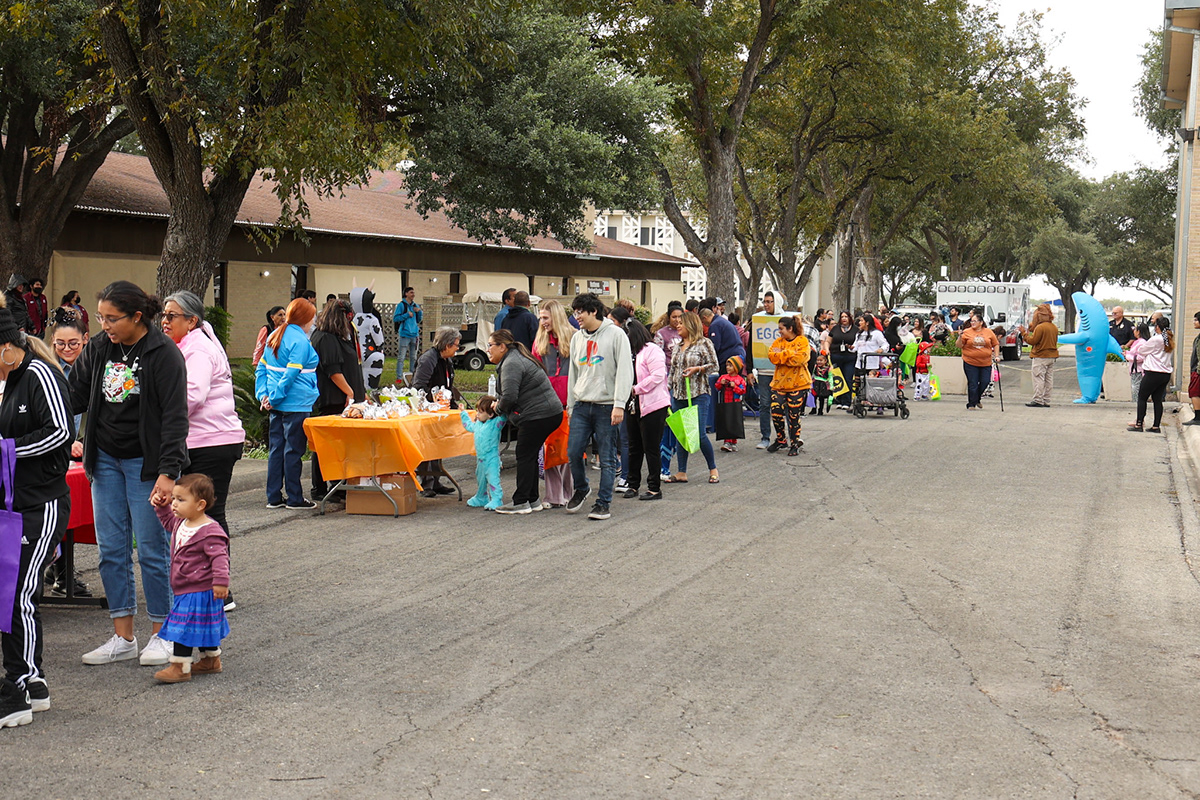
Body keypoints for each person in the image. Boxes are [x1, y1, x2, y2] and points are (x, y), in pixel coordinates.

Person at [71, 280, 188, 668]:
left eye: (112, 318)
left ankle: (163, 633)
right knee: (111, 549)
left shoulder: (164, 353)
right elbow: (72, 393)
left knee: (152, 549)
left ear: (137, 317)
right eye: (100, 317)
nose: (104, 325)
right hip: (104, 458)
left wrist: (168, 472)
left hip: (146, 464)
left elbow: (175, 418)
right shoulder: (100, 348)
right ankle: (123, 636)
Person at [0, 298, 73, 728]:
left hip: (41, 503)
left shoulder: (40, 374)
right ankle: (32, 683)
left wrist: (7, 451)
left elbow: (61, 431)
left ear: (5, 346)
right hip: (12, 505)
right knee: (8, 594)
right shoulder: (8, 379)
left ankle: (21, 687)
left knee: (19, 596)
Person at [162, 290, 245, 611]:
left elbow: (191, 396)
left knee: (207, 515)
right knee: (202, 514)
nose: (165, 321)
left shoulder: (198, 348)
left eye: (172, 316)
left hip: (212, 442)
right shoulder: (190, 343)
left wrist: (157, 415)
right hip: (204, 440)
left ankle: (218, 593)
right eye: (164, 315)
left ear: (192, 320)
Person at [151, 474, 230, 683]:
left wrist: (221, 582)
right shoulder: (182, 523)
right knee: (203, 624)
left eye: (181, 500)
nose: (174, 504)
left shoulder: (210, 531)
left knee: (182, 627)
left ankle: (180, 666)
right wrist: (161, 507)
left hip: (199, 589)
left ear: (200, 504)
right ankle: (210, 660)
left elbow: (220, 558)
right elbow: (168, 521)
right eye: (174, 499)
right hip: (185, 587)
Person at [566, 293, 634, 520]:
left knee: (606, 457)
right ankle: (582, 488)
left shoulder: (616, 335)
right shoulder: (577, 338)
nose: (577, 317)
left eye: (580, 312)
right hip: (581, 404)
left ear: (593, 311)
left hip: (607, 406)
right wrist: (571, 405)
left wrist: (619, 404)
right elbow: (573, 373)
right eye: (575, 313)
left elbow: (625, 370)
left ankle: (603, 503)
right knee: (573, 452)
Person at [489, 329, 563, 514]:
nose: (487, 349)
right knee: (529, 455)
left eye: (490, 345)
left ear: (502, 346)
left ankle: (521, 501)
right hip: (548, 413)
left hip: (539, 415)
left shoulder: (512, 363)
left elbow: (509, 397)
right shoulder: (515, 358)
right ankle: (533, 500)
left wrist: (497, 409)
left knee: (524, 455)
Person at [254, 297, 319, 510]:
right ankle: (294, 497)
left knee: (276, 449)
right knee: (293, 451)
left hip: (277, 405)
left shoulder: (275, 335)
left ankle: (273, 496)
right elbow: (290, 375)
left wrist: (264, 396)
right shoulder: (300, 341)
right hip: (297, 403)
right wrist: (274, 397)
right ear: (306, 319)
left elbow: (261, 368)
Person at [43, 313, 90, 597]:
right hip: (55, 449)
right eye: (60, 343)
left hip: (79, 448)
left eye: (73, 343)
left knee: (70, 511)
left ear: (85, 339)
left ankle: (58, 569)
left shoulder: (90, 365)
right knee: (57, 510)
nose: (67, 349)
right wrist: (66, 442)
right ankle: (59, 571)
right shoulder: (46, 370)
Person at [309, 299, 365, 503]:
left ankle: (338, 484)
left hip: (346, 398)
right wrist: (350, 393)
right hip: (334, 399)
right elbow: (333, 371)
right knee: (326, 446)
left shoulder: (337, 337)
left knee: (340, 446)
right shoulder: (325, 338)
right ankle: (322, 487)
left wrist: (361, 393)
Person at [665, 311, 719, 484]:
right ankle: (682, 472)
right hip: (678, 394)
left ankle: (713, 469)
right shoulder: (677, 346)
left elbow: (715, 366)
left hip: (698, 393)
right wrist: (667, 390)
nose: (678, 325)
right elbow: (673, 371)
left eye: (681, 323)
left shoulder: (704, 343)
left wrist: (698, 369)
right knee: (682, 434)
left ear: (690, 324)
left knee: (699, 434)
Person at [412, 326, 464, 498]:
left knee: (437, 444)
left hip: (440, 410)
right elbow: (418, 386)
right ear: (447, 345)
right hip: (427, 410)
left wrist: (453, 406)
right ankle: (426, 482)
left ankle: (435, 481)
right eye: (456, 345)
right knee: (427, 443)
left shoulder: (446, 361)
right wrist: (433, 402)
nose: (457, 349)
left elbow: (448, 387)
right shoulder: (429, 359)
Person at [532, 300, 574, 508]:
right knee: (550, 450)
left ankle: (568, 492)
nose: (542, 322)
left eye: (545, 318)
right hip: (547, 402)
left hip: (569, 402)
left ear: (556, 317)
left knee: (567, 450)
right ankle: (554, 495)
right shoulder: (540, 340)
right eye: (541, 317)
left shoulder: (575, 337)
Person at [625, 320, 668, 501]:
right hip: (632, 404)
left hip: (653, 405)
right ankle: (632, 484)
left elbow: (658, 375)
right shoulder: (628, 353)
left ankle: (654, 488)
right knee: (634, 446)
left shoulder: (652, 350)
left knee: (651, 447)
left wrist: (636, 388)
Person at [767, 316, 811, 456]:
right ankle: (781, 439)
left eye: (781, 329)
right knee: (776, 412)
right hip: (779, 384)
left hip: (798, 384)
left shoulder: (802, 341)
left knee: (793, 415)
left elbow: (801, 359)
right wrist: (789, 355)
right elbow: (772, 357)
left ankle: (794, 443)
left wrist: (783, 355)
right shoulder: (778, 342)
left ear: (790, 328)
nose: (779, 332)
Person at [460, 395, 505, 510]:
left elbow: (504, 417)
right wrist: (463, 413)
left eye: (480, 412)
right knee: (480, 478)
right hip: (480, 459)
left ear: (490, 414)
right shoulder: (478, 424)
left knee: (493, 478)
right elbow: (468, 425)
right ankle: (481, 496)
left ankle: (497, 499)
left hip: (492, 458)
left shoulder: (496, 424)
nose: (477, 414)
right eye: (477, 411)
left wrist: (499, 406)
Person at [1130, 316, 1174, 434]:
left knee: (1142, 397)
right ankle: (1156, 426)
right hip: (1165, 373)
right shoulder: (1169, 338)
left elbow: (1142, 350)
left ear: (1158, 327)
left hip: (1153, 372)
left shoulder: (1156, 339)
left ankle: (1139, 424)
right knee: (1157, 399)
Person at [957, 313, 1000, 410]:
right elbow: (959, 345)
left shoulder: (988, 332)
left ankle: (977, 399)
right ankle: (971, 404)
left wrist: (997, 356)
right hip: (970, 362)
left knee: (985, 381)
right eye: (971, 321)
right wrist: (960, 337)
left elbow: (996, 344)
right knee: (973, 383)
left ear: (981, 322)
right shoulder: (966, 332)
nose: (972, 323)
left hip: (986, 362)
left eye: (975, 321)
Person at [1020, 303, 1059, 408]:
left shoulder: (1040, 327)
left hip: (1041, 356)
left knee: (1038, 378)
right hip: (1052, 356)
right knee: (1048, 379)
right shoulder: (1054, 327)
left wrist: (1024, 334)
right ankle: (1046, 400)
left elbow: (1032, 341)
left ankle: (1038, 399)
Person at [826, 311, 857, 411]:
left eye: (846, 316)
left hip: (850, 357)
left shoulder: (856, 329)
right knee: (838, 378)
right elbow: (828, 341)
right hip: (836, 355)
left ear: (850, 318)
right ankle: (838, 400)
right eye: (842, 317)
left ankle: (846, 401)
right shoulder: (835, 328)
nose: (844, 318)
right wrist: (826, 349)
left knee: (847, 378)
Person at [715, 355, 747, 452]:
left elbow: (743, 391)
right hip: (725, 403)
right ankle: (727, 441)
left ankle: (733, 441)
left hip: (735, 404)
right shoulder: (723, 377)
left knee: (734, 421)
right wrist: (721, 383)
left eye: (730, 365)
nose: (728, 367)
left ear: (736, 368)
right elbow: (717, 387)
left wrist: (734, 386)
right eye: (727, 365)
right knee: (726, 421)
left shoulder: (740, 379)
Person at [392, 287, 422, 380]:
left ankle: (412, 376)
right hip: (404, 335)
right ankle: (399, 377)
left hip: (415, 335)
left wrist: (419, 312)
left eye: (413, 292)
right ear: (406, 294)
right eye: (411, 292)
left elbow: (418, 320)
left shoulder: (415, 305)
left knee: (413, 357)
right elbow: (395, 318)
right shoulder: (401, 305)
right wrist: (407, 315)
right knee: (401, 357)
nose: (413, 294)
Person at [1128, 323, 1150, 406]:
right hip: (1135, 369)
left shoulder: (1142, 343)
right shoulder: (1138, 342)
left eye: (1135, 329)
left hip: (1139, 369)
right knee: (1135, 387)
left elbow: (1140, 357)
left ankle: (1137, 405)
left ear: (1139, 332)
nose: (1134, 331)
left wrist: (1128, 356)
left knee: (1136, 388)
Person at [1187, 312, 1200, 425]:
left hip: (1198, 371)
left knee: (1194, 392)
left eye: (1196, 320)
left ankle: (1198, 418)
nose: (1194, 322)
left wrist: (1197, 371)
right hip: (1196, 370)